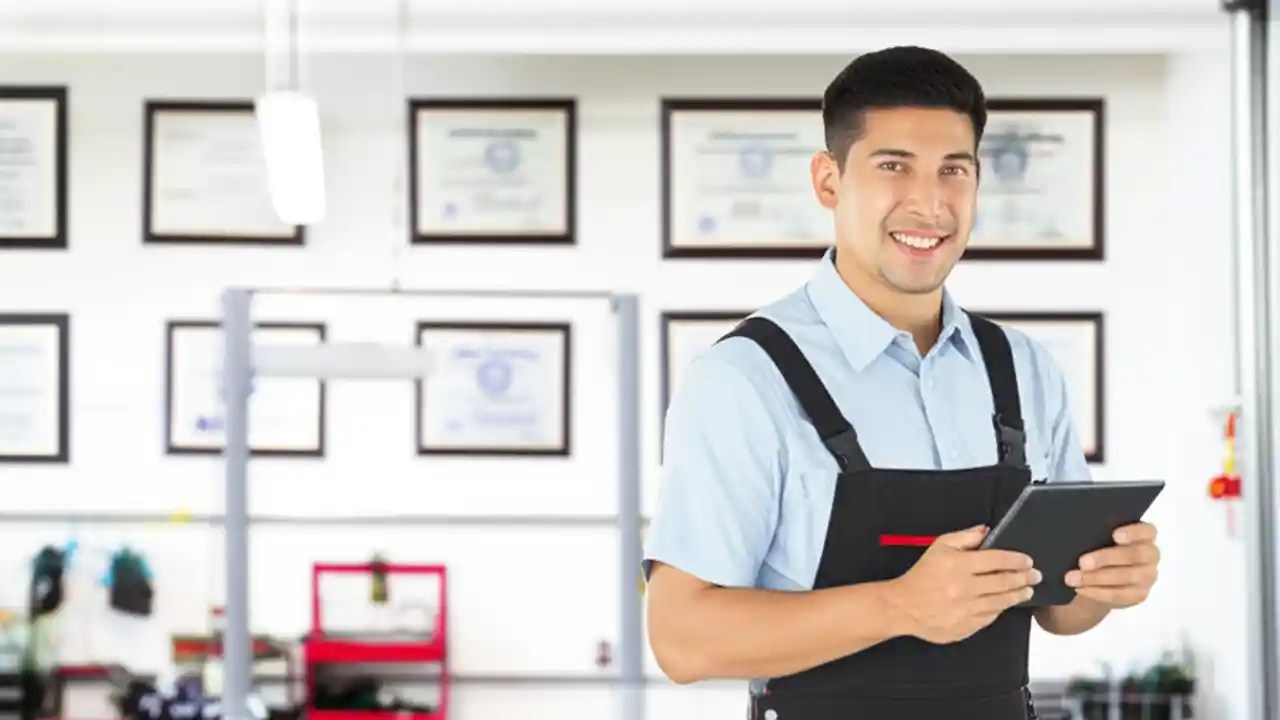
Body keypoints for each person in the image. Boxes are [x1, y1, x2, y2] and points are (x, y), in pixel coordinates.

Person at [642, 46, 1161, 719]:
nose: (930, 203)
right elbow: (682, 640)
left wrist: (1107, 581)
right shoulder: (744, 378)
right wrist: (899, 606)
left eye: (954, 170)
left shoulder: (1024, 368)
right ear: (828, 181)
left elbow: (1061, 613)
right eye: (894, 166)